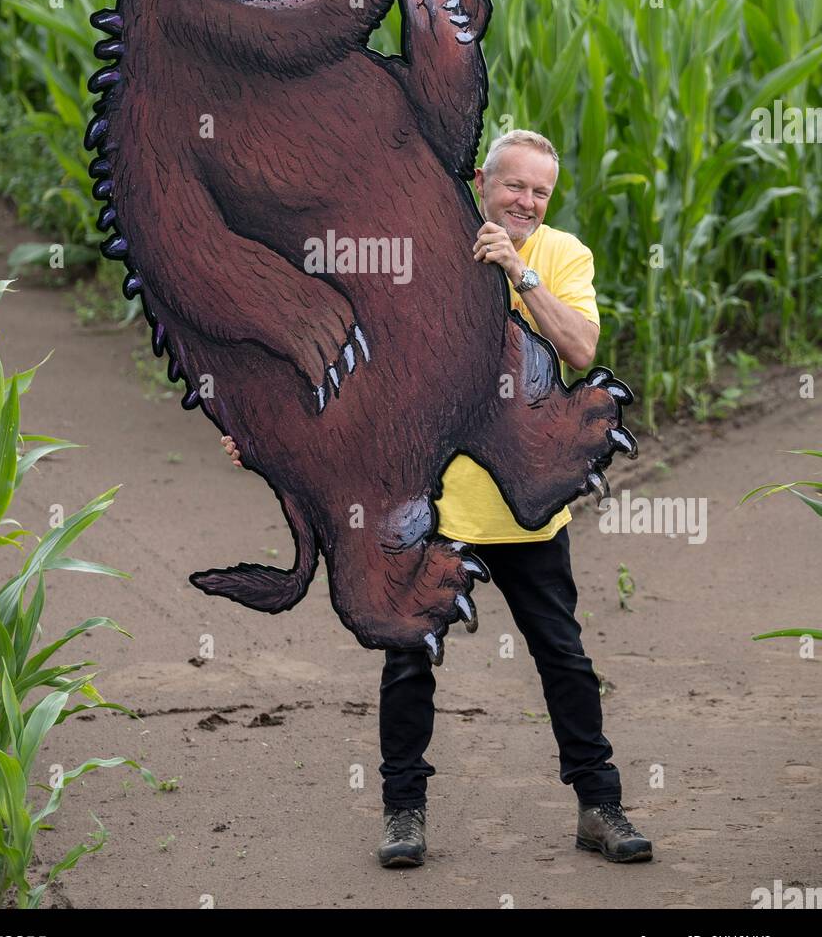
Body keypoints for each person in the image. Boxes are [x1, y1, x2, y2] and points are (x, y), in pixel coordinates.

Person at [221, 128, 653, 869]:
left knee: (564, 659)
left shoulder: (560, 256)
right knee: (408, 661)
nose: (524, 200)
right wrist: (270, 429)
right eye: (513, 185)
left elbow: (580, 350)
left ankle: (598, 806)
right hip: (428, 505)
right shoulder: (415, 249)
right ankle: (403, 814)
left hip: (525, 513)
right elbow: (356, 357)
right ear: (482, 179)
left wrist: (517, 272)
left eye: (538, 192)